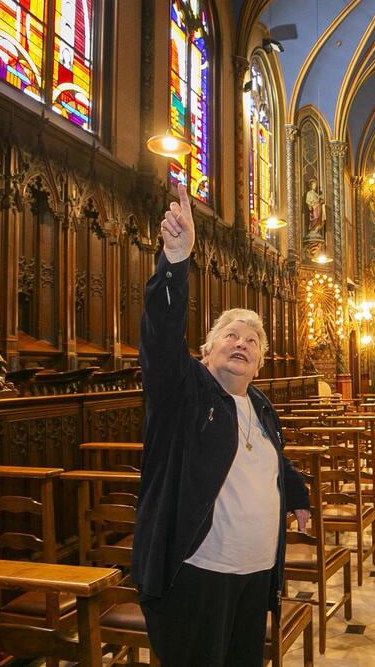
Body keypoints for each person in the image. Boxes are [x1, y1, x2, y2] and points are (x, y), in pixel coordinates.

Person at [133, 183, 312, 666]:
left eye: (252, 340)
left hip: (256, 574)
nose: (242, 343)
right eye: (229, 335)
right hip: (197, 573)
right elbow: (161, 339)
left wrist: (295, 494)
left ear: (261, 361)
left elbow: (270, 461)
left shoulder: (260, 405)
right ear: (207, 351)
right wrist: (174, 263)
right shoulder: (184, 392)